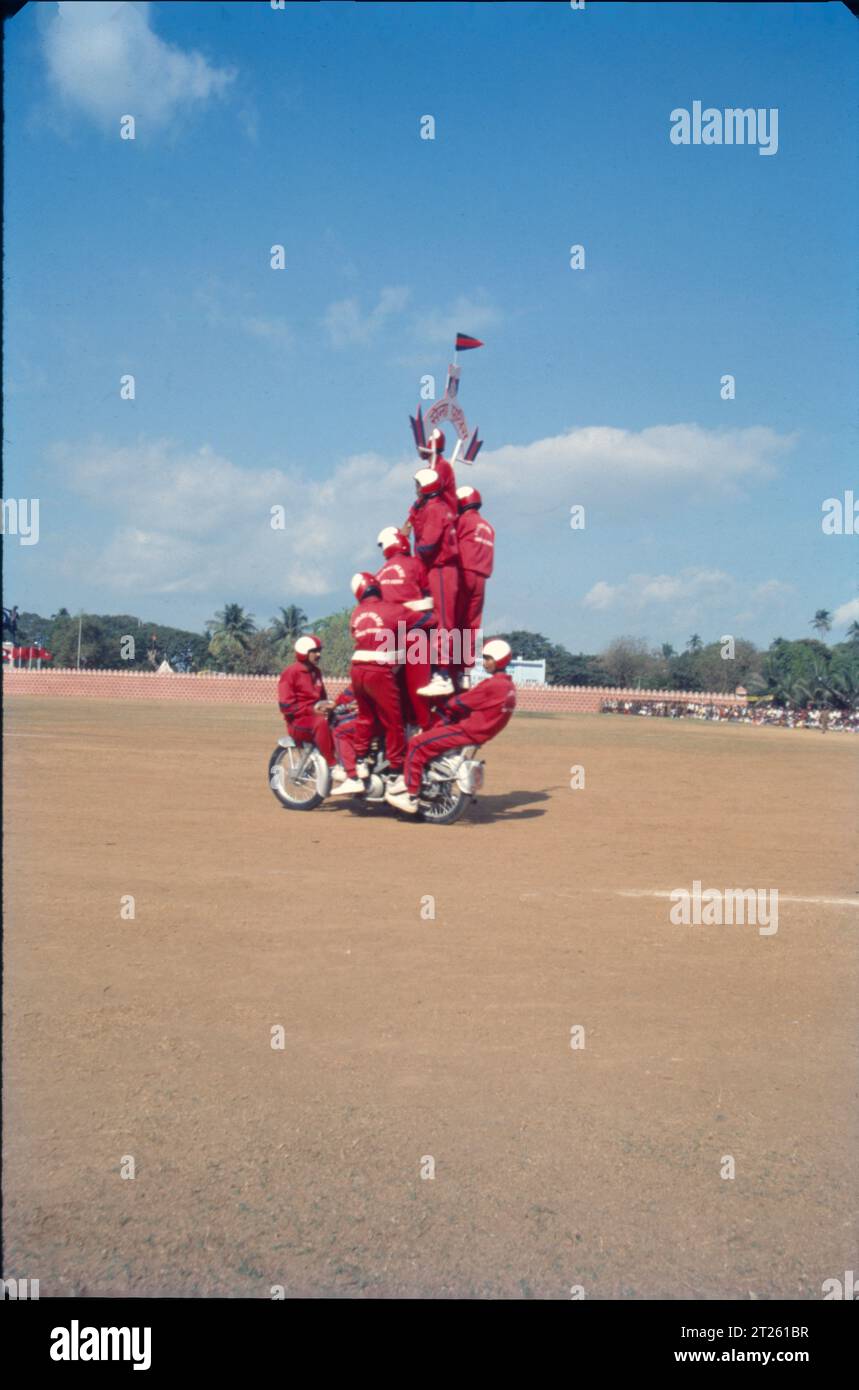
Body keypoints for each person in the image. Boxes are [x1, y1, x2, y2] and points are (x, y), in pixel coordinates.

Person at [385, 638, 517, 814]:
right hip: (481, 732)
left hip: (468, 731)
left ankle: (411, 795)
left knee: (417, 745)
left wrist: (446, 700)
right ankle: (412, 777)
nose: (484, 662)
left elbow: (461, 703)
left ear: (499, 660)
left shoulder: (492, 685)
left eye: (488, 658)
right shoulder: (509, 686)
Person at [332, 572, 434, 797]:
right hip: (379, 671)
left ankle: (358, 765)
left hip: (357, 669)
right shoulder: (392, 610)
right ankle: (397, 771)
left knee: (364, 718)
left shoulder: (356, 614)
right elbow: (428, 621)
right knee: (393, 723)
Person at [375, 526, 434, 728]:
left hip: (389, 637)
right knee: (420, 690)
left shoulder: (380, 574)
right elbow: (430, 593)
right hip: (416, 633)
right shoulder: (416, 564)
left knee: (395, 690)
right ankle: (424, 731)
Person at [411, 467, 460, 698]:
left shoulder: (434, 509)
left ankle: (442, 673)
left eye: (418, 486)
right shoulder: (441, 507)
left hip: (440, 568)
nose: (416, 490)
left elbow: (427, 545)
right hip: (442, 569)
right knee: (441, 621)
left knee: (441, 622)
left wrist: (413, 556)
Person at [276, 635, 336, 767]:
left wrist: (329, 705)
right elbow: (286, 706)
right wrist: (311, 710)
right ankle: (332, 765)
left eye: (319, 651)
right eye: (314, 651)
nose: (319, 654)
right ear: (304, 652)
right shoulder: (291, 673)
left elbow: (322, 697)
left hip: (315, 717)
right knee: (320, 723)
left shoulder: (316, 672)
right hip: (297, 722)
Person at [454, 485, 495, 679]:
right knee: (472, 626)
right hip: (481, 580)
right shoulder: (488, 527)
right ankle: (466, 669)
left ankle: (449, 666)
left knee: (454, 620)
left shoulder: (463, 521)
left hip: (464, 574)